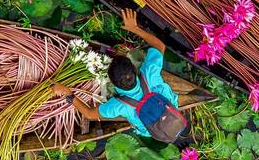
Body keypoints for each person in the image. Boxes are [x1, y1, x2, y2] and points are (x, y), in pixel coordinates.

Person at [53, 9, 186, 142]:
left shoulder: (119, 105)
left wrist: (134, 28)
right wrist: (67, 94)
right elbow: (159, 45)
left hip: (152, 126)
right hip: (159, 119)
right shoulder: (147, 76)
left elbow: (89, 114)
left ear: (111, 82)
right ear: (135, 70)